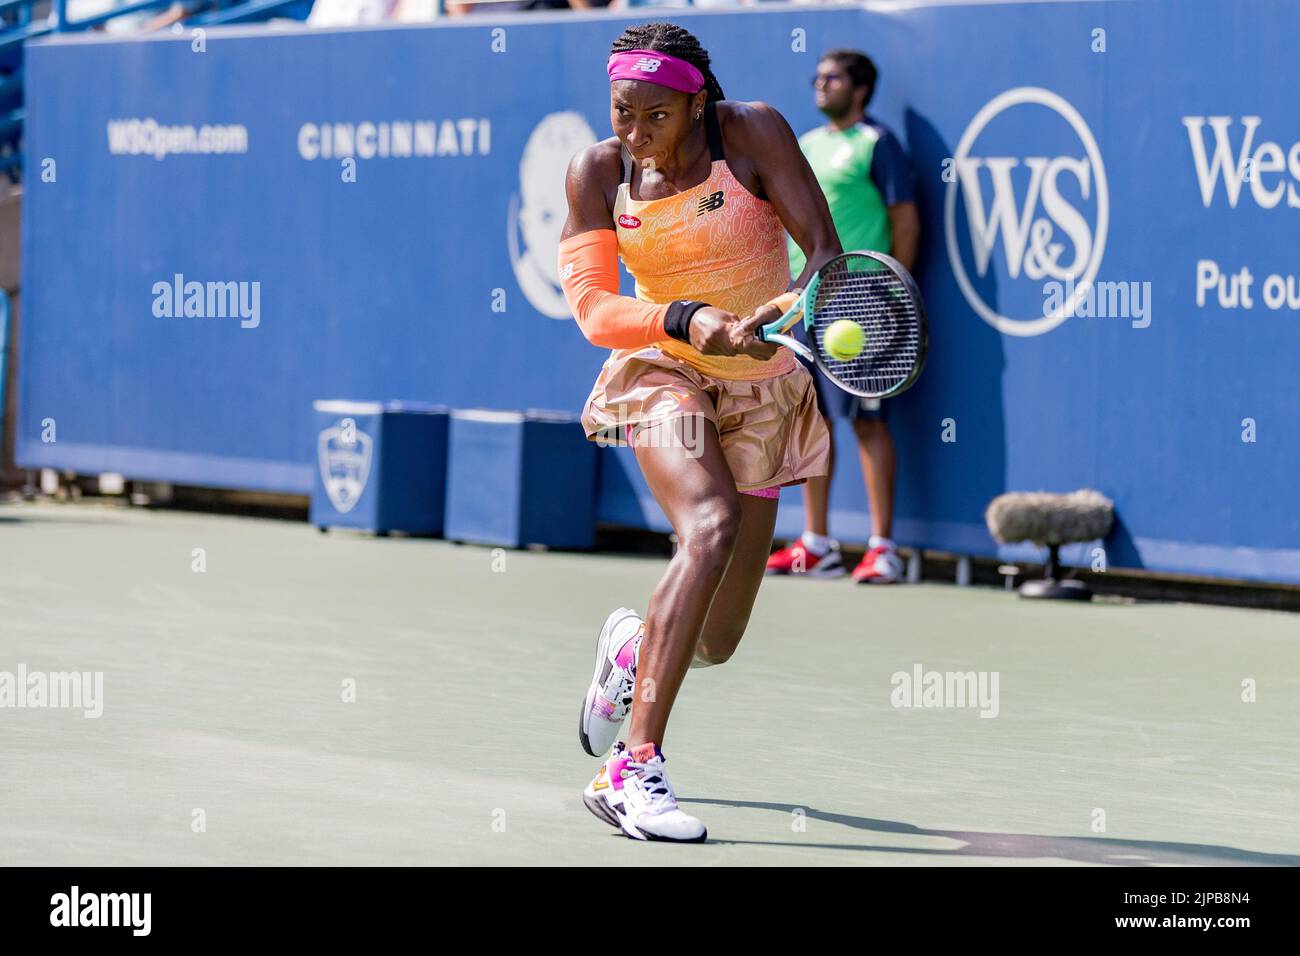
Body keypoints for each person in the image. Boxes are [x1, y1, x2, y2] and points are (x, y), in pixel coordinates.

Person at [558, 22, 840, 841]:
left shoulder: (752, 131)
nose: (636, 136)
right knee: (707, 525)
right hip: (664, 368)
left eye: (655, 117)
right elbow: (593, 311)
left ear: (696, 102)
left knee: (716, 642)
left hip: (762, 387)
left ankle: (631, 649)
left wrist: (777, 311)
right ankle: (632, 767)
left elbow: (823, 252)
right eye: (622, 113)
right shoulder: (597, 173)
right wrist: (685, 318)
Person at [766, 50, 920, 584]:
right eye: (816, 77)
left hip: (862, 301)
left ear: (859, 89)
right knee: (814, 422)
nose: (819, 84)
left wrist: (888, 286)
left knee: (869, 421)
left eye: (831, 78)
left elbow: (905, 220)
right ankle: (817, 544)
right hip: (803, 302)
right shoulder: (805, 145)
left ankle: (884, 548)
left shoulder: (878, 145)